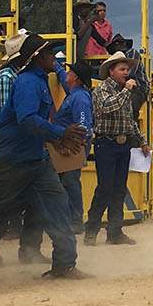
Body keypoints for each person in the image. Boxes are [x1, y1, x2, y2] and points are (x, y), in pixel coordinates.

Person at [0, 34, 88, 278]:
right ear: (37, 58)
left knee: (56, 205)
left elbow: (33, 121)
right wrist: (60, 134)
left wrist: (56, 137)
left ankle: (64, 263)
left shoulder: (37, 81)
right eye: (49, 54)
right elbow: (27, 119)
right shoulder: (28, 82)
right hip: (12, 160)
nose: (53, 58)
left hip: (30, 157)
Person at [86, 50, 150, 245]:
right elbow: (107, 107)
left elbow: (129, 120)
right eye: (122, 69)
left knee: (119, 189)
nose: (126, 73)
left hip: (122, 145)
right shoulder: (101, 90)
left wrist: (141, 140)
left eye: (127, 70)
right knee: (105, 188)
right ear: (111, 71)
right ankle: (92, 230)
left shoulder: (124, 92)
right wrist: (126, 91)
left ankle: (114, 232)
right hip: (106, 143)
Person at [52, 58, 95, 232]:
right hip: (71, 143)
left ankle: (76, 221)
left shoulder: (79, 98)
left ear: (76, 78)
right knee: (68, 181)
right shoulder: (76, 93)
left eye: (70, 73)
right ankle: (71, 220)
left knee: (70, 181)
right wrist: (55, 66)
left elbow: (83, 124)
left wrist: (75, 144)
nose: (67, 75)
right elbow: (64, 78)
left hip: (73, 144)